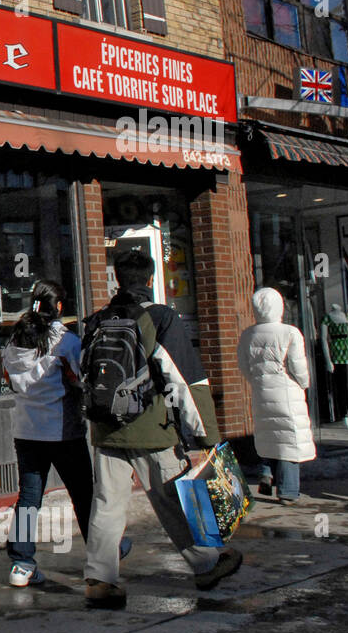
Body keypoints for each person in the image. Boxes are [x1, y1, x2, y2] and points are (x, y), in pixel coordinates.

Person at [80, 249, 242, 609]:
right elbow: (183, 379)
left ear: (117, 279)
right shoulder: (160, 318)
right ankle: (207, 563)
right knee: (170, 497)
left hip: (105, 429)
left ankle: (99, 581)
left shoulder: (96, 321)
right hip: (151, 428)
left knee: (107, 504)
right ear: (151, 280)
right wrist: (205, 435)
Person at [1, 281, 129, 587]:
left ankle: (21, 562)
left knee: (29, 497)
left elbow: (10, 379)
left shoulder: (13, 341)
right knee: (84, 494)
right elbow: (82, 380)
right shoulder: (64, 341)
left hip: (27, 430)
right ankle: (105, 550)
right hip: (62, 431)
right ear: (59, 307)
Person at [237, 287, 315, 504]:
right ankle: (288, 491)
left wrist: (258, 381)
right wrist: (304, 383)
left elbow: (243, 365)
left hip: (262, 391)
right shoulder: (290, 333)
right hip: (287, 392)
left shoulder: (248, 334)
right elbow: (298, 366)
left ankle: (266, 472)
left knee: (269, 433)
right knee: (289, 440)